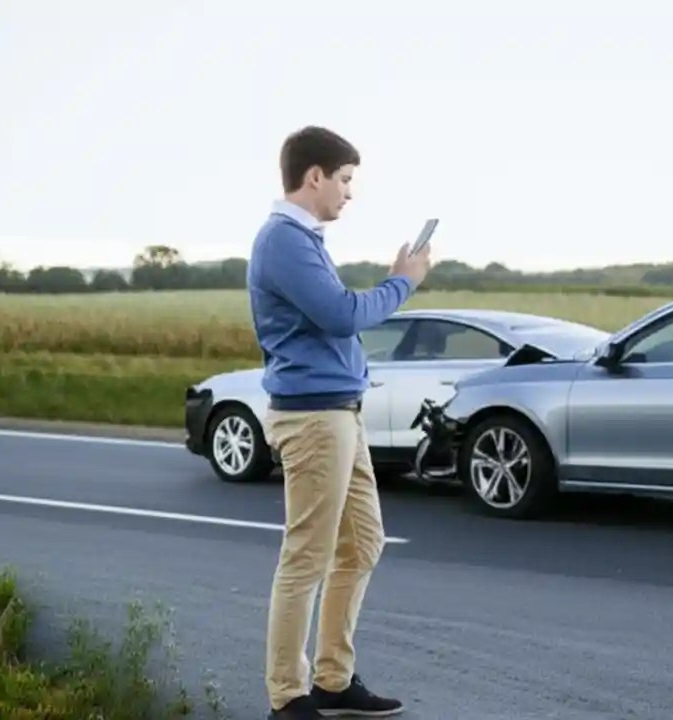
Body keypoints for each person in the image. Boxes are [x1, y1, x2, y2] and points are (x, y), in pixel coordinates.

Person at [247, 126, 432, 719]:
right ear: (315, 177)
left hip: (339, 414)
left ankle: (332, 678)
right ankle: (288, 695)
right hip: (315, 419)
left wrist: (392, 282)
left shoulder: (305, 239)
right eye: (346, 180)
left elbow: (336, 315)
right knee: (306, 556)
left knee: (363, 544)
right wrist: (404, 281)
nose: (349, 194)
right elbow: (342, 315)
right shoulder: (284, 240)